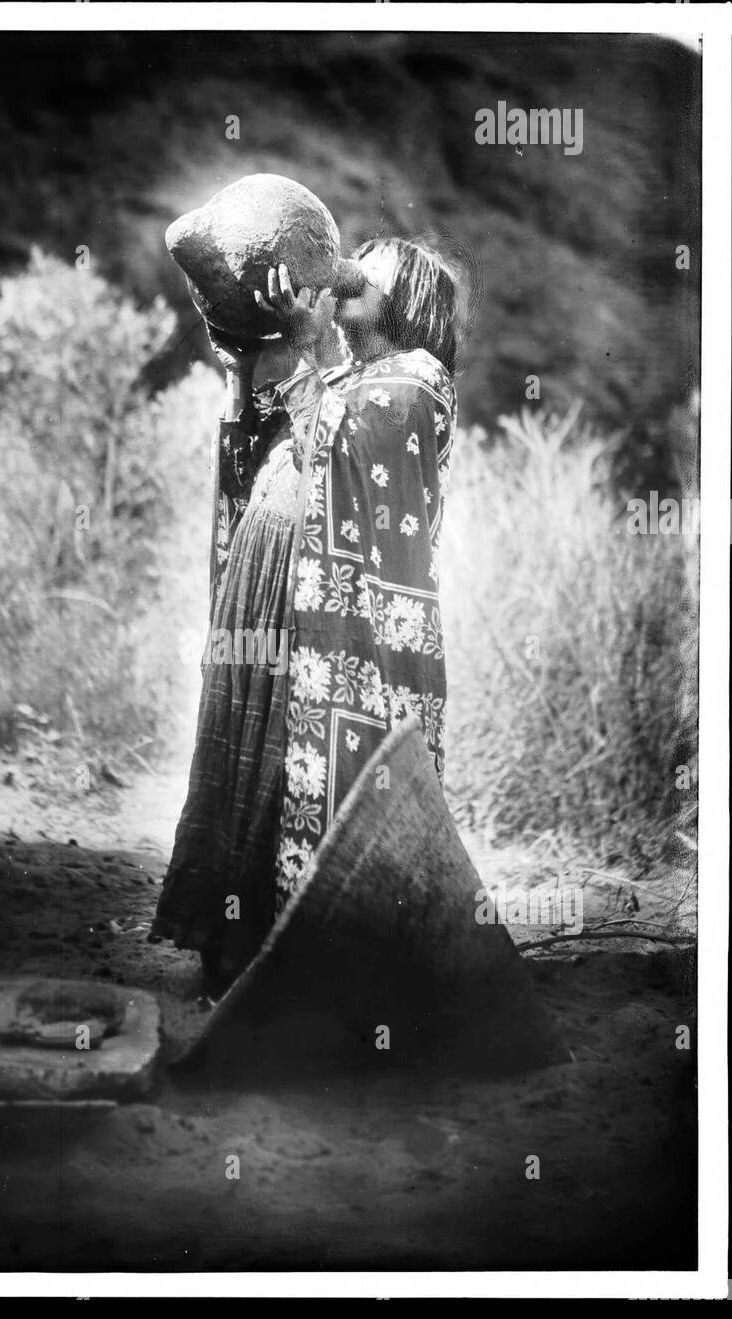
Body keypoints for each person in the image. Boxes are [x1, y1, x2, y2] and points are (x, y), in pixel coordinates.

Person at [153, 237, 462, 994]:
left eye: (371, 268)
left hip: (324, 615)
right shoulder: (343, 376)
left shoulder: (418, 384)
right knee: (244, 748)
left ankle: (292, 961)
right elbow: (256, 463)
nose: (350, 271)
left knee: (285, 760)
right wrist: (240, 379)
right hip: (266, 590)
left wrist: (312, 348)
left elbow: (350, 449)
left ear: (410, 296)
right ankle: (230, 951)